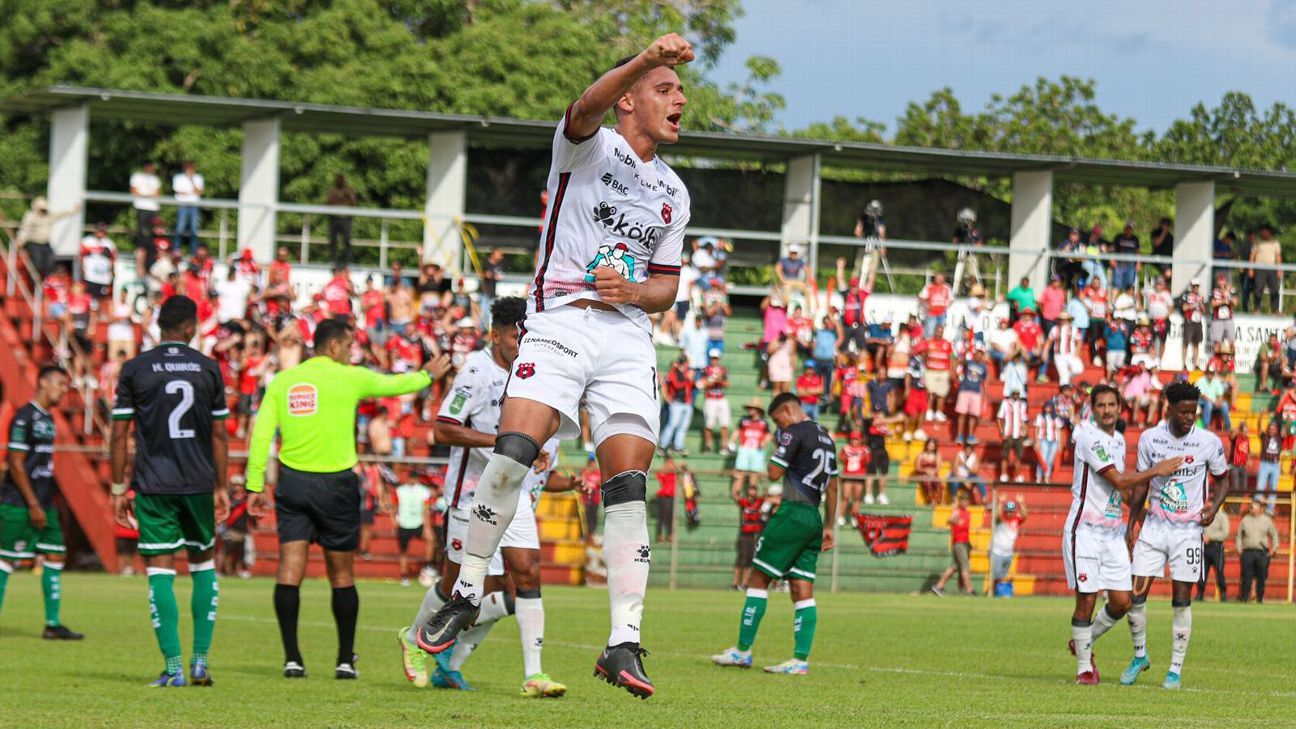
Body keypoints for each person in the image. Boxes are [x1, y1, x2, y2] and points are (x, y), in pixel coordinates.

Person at [417, 35, 694, 700]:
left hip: (627, 336)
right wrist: (642, 58)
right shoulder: (587, 145)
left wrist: (634, 293)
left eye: (682, 92)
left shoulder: (674, 192)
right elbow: (585, 104)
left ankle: (623, 640)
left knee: (629, 482)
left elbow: (666, 285)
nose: (680, 99)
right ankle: (461, 588)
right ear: (629, 99)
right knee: (512, 451)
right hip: (561, 321)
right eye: (665, 89)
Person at [246, 317, 450, 680]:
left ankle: (292, 659)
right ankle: (343, 660)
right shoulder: (350, 376)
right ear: (335, 346)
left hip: (293, 482)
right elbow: (394, 385)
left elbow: (262, 434)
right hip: (336, 484)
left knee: (289, 570)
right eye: (350, 345)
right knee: (341, 574)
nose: (352, 351)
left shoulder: (284, 380)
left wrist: (254, 483)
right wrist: (427, 376)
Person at [400, 299, 564, 695]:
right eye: (513, 335)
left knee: (527, 574)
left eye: (526, 336)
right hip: (471, 495)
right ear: (495, 334)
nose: (521, 343)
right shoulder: (476, 370)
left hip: (515, 492)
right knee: (457, 583)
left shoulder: (534, 374)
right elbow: (443, 429)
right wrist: (507, 443)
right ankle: (414, 638)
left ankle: (533, 674)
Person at [108, 296, 229, 686]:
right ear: (191, 327)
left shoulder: (136, 369)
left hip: (153, 484)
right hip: (197, 483)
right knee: (203, 564)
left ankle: (173, 668)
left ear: (160, 326)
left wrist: (116, 486)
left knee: (160, 569)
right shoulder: (209, 369)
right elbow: (220, 435)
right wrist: (223, 486)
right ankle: (200, 663)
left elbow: (119, 433)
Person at [1064, 384, 1183, 686]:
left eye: (1111, 405)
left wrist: (1142, 513)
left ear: (1119, 408)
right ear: (1092, 409)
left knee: (1122, 601)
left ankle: (1083, 641)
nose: (1106, 410)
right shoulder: (1090, 438)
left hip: (1112, 532)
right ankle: (1083, 669)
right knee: (1087, 601)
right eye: (1100, 405)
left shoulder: (1118, 440)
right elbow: (1117, 480)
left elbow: (1120, 491)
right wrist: (1157, 470)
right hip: (1086, 532)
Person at [711, 392, 838, 675]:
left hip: (792, 513)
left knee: (758, 577)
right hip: (814, 518)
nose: (778, 427)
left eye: (777, 420)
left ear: (787, 410)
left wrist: (778, 452)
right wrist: (829, 525)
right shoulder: (826, 437)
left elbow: (773, 473)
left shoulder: (793, 433)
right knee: (802, 587)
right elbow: (833, 486)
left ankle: (742, 652)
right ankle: (799, 660)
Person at [1125, 382, 1229, 689]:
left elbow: (1223, 480)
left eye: (1192, 411)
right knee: (1135, 596)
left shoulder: (1208, 442)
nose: (1188, 417)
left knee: (1181, 601)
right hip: (1154, 528)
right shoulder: (1150, 439)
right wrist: (1133, 521)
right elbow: (1141, 483)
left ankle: (1175, 669)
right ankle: (1140, 655)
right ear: (1169, 409)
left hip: (1188, 532)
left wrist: (1214, 508)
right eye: (1183, 411)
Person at [0, 366, 82, 640]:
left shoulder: (49, 419)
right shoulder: (24, 417)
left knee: (55, 554)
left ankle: (52, 624)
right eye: (60, 384)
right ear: (44, 383)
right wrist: (33, 504)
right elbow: (15, 463)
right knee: (5, 561)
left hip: (44, 502)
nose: (63, 390)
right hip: (20, 503)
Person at [15, 196, 77, 278]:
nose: (43, 211)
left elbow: (61, 215)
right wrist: (20, 240)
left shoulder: (49, 216)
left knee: (50, 263)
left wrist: (73, 210)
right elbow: (25, 229)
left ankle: (46, 282)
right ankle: (34, 284)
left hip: (46, 244)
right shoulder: (30, 216)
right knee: (37, 264)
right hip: (34, 244)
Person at [1235, 497, 1279, 603]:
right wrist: (1239, 548)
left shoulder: (1266, 520)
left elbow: (1274, 535)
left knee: (1261, 577)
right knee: (1246, 577)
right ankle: (1244, 598)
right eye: (1251, 507)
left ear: (1260, 509)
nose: (1252, 509)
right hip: (1247, 552)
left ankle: (1260, 598)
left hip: (1262, 553)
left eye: (1254, 508)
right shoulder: (1245, 520)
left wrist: (1274, 548)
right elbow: (1238, 536)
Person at [932, 488, 973, 596]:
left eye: (966, 500)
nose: (965, 502)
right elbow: (949, 520)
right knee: (965, 567)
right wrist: (955, 520)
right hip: (959, 543)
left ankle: (939, 586)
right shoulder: (957, 511)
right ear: (960, 501)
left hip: (964, 543)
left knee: (954, 567)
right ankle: (970, 590)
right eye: (963, 500)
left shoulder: (966, 513)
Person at [394, 476, 433, 588]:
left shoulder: (424, 491)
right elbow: (394, 505)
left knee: (431, 540)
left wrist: (427, 527)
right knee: (404, 551)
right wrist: (394, 519)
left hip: (418, 522)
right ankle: (404, 575)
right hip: (404, 522)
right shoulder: (400, 490)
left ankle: (427, 566)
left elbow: (426, 509)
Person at [730, 399, 771, 495]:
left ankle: (752, 496)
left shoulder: (764, 422)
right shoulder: (744, 420)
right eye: (749, 408)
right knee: (740, 472)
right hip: (744, 449)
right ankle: (736, 494)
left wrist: (764, 442)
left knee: (754, 473)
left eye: (752, 408)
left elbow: (768, 435)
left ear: (758, 410)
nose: (750, 410)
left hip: (757, 450)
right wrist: (731, 441)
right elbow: (737, 431)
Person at [730, 484, 765, 590]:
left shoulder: (758, 502)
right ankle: (735, 582)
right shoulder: (744, 503)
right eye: (750, 492)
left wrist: (763, 482)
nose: (751, 496)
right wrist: (736, 484)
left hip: (753, 535)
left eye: (753, 492)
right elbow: (735, 496)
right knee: (741, 559)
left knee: (750, 559)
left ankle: (745, 583)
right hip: (744, 535)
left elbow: (766, 496)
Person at [658, 355, 696, 456]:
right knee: (672, 425)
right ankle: (663, 445)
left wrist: (691, 380)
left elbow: (692, 386)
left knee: (683, 427)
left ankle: (678, 446)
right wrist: (688, 379)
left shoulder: (687, 373)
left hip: (687, 403)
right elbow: (677, 385)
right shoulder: (673, 373)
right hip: (677, 403)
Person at [990, 495, 1027, 595]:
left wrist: (1021, 503)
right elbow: (996, 515)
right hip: (996, 551)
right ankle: (992, 592)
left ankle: (994, 592)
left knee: (1001, 575)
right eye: (1007, 511)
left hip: (1008, 552)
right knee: (996, 574)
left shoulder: (1016, 519)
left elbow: (1024, 515)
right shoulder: (1000, 519)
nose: (1009, 513)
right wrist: (1000, 503)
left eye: (1011, 511)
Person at [954, 348, 988, 445]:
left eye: (981, 354)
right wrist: (955, 374)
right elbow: (958, 361)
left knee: (973, 415)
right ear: (974, 354)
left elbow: (984, 381)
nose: (979, 356)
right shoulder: (968, 362)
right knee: (962, 414)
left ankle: (970, 436)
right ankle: (959, 435)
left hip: (976, 392)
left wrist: (985, 394)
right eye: (977, 353)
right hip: (964, 390)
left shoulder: (983, 367)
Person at [1197, 503, 1229, 602]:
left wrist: (1210, 537)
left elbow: (1224, 533)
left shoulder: (1222, 516)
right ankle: (1200, 594)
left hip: (1216, 547)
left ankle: (1223, 594)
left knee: (1219, 572)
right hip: (1204, 547)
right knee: (1202, 572)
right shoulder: (1203, 515)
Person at [324, 174, 357, 267]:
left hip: (346, 219)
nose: (340, 182)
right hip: (334, 218)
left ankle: (349, 261)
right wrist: (338, 199)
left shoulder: (349, 190)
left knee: (347, 240)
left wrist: (345, 197)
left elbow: (354, 203)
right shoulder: (332, 190)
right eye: (338, 180)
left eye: (341, 180)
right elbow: (327, 203)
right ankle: (333, 259)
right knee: (333, 241)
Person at [700, 351, 731, 452]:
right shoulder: (705, 370)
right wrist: (713, 381)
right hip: (710, 399)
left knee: (724, 423)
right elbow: (702, 384)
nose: (714, 360)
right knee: (709, 424)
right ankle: (708, 445)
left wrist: (719, 381)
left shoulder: (723, 370)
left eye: (716, 358)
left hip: (721, 399)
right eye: (712, 358)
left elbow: (727, 384)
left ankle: (724, 446)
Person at [172, 161, 205, 255]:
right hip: (182, 205)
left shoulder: (198, 178)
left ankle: (194, 253)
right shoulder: (178, 178)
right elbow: (178, 192)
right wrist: (191, 192)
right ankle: (176, 251)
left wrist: (192, 181)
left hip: (194, 206)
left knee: (194, 230)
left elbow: (199, 192)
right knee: (179, 229)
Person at [997, 391, 1030, 483]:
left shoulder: (1022, 405)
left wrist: (1025, 432)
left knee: (1018, 457)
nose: (1016, 395)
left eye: (1018, 394)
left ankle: (1018, 475)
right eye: (1015, 393)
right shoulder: (1005, 403)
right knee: (1005, 456)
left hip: (1019, 435)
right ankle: (1003, 474)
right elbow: (999, 418)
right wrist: (1001, 432)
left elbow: (1025, 420)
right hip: (1008, 434)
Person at [1249, 223, 1282, 313]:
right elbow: (1252, 256)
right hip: (1260, 268)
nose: (1263, 233)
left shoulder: (1275, 243)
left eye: (1265, 231)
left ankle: (1275, 310)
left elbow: (1278, 257)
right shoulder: (1258, 243)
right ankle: (1257, 309)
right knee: (1258, 289)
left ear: (1269, 232)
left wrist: (1279, 270)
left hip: (1272, 268)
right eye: (1262, 232)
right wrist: (1251, 269)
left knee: (1275, 289)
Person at [130, 161, 162, 246]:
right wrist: (149, 195)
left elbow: (158, 193)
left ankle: (151, 249)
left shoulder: (155, 179)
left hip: (153, 207)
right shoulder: (137, 177)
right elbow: (134, 191)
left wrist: (144, 194)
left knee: (154, 230)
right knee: (141, 230)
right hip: (141, 206)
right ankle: (141, 247)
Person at [1180, 279, 1206, 371]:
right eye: (1194, 286)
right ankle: (1184, 364)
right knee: (1186, 342)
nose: (1195, 288)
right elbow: (1184, 308)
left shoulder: (1200, 296)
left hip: (1197, 321)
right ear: (1191, 286)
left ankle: (1196, 364)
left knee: (1196, 343)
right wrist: (1194, 304)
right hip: (1189, 321)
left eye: (1197, 286)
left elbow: (1203, 310)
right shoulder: (1186, 295)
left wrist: (1200, 303)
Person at [918, 274, 953, 340]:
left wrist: (947, 306)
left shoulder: (946, 287)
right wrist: (926, 305)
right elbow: (921, 297)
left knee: (940, 331)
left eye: (940, 278)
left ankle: (939, 347)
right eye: (937, 278)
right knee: (930, 331)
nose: (939, 280)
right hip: (931, 313)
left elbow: (951, 299)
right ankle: (929, 346)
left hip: (942, 313)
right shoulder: (929, 287)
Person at [1257, 421, 1281, 512]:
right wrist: (1260, 418)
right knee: (1260, 487)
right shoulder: (1264, 437)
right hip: (1265, 464)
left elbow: (1285, 431)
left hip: (1275, 465)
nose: (1271, 430)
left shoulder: (1279, 438)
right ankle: (1256, 507)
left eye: (1273, 429)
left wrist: (1288, 422)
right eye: (1270, 428)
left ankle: (1270, 509)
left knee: (1273, 489)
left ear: (1276, 430)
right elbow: (1259, 429)